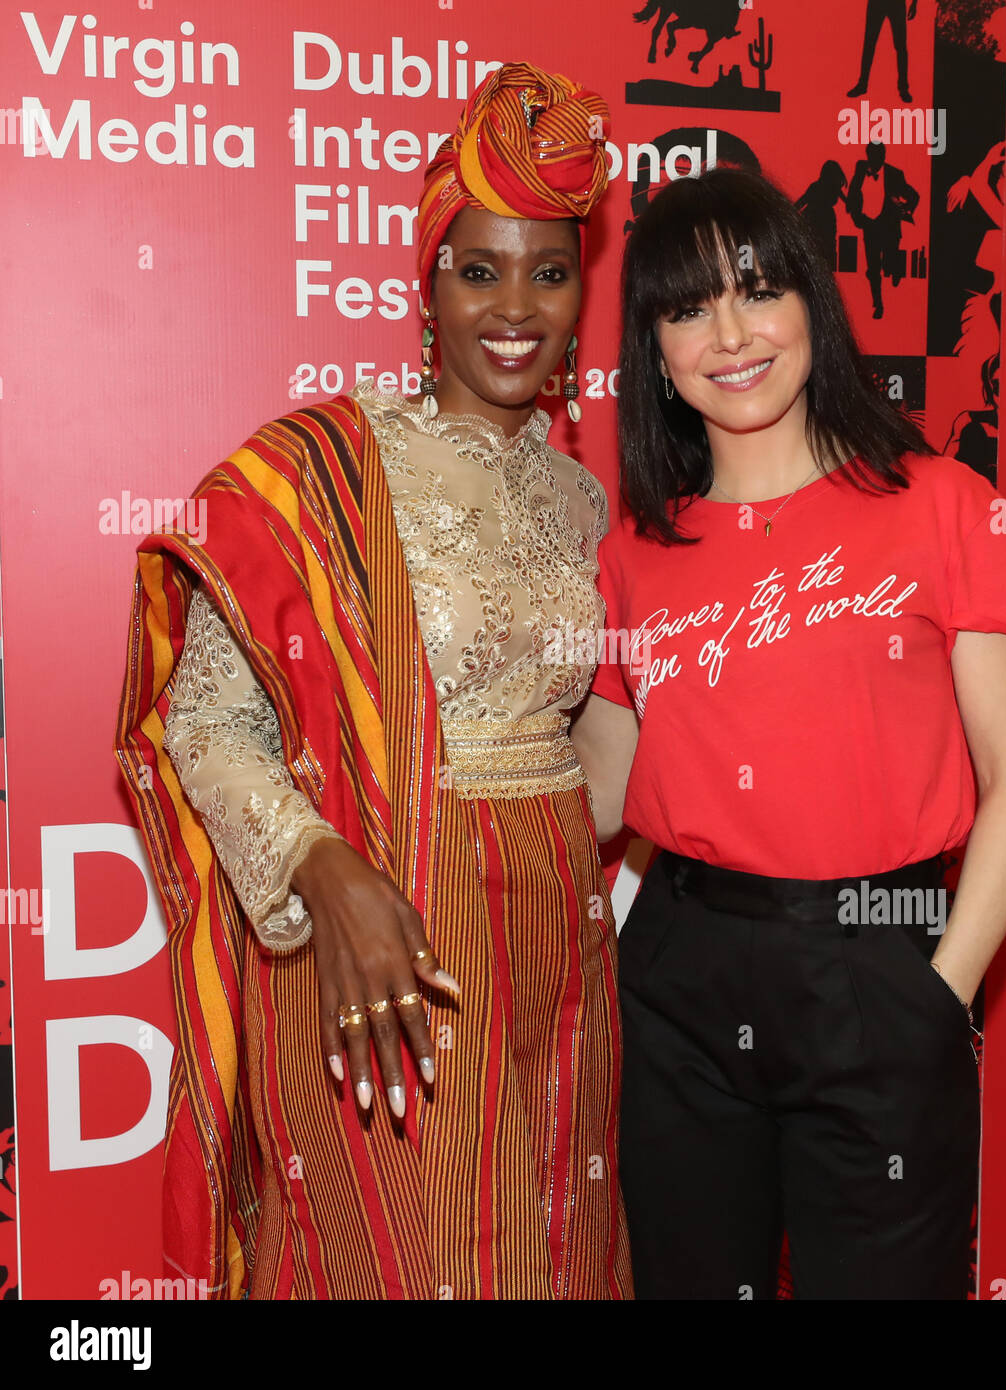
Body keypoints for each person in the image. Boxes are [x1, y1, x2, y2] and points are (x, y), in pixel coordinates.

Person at [115, 61, 632, 1301]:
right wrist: (327, 873)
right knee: (420, 1259)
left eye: (547, 273)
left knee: (558, 1245)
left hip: (561, 921)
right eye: (478, 269)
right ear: (426, 282)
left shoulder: (576, 497)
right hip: (392, 927)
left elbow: (594, 736)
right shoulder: (324, 467)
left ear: (577, 297)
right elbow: (206, 722)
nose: (513, 306)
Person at [571, 166, 1006, 1300]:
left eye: (757, 288)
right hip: (678, 980)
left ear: (809, 305)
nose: (729, 333)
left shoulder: (940, 504)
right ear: (653, 350)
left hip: (879, 965)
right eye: (687, 308)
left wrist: (937, 993)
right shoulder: (635, 548)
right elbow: (599, 781)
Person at [845, 140, 919, 319]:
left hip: (890, 227)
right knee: (873, 269)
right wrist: (857, 217)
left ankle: (894, 269)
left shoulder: (895, 174)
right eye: (871, 156)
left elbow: (914, 196)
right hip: (870, 227)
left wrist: (905, 210)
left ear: (883, 157)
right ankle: (878, 304)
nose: (874, 160)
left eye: (878, 157)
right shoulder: (861, 169)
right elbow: (853, 194)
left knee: (889, 261)